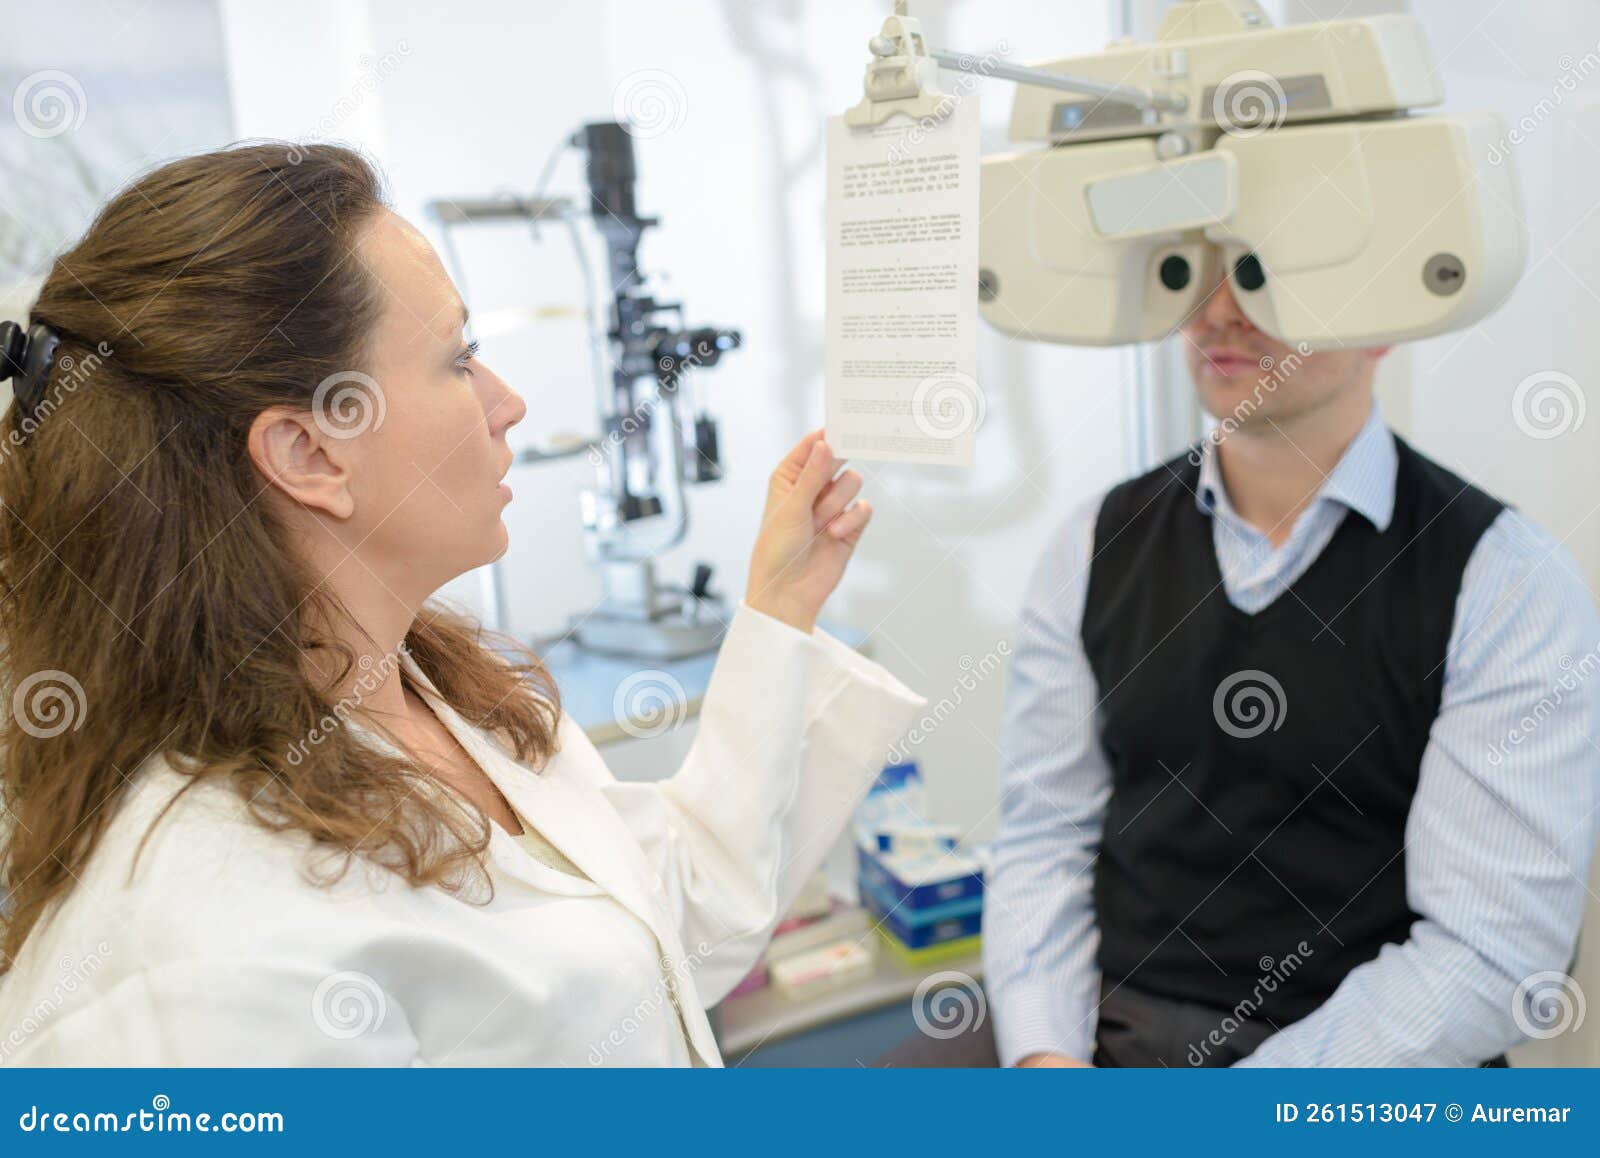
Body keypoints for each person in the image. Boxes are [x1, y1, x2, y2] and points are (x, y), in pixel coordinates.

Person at [0, 143, 921, 1066]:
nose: (509, 403)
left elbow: (659, 924)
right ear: (312, 454)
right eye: (460, 358)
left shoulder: (433, 690)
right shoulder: (202, 953)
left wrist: (780, 605)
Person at [984, 259, 1600, 1067]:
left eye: (1264, 273)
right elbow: (1040, 837)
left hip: (1361, 1066)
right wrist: (1046, 1065)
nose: (1217, 315)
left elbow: (1490, 953)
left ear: (1382, 324)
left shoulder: (1504, 580)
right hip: (1114, 1033)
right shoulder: (1096, 542)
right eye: (1191, 274)